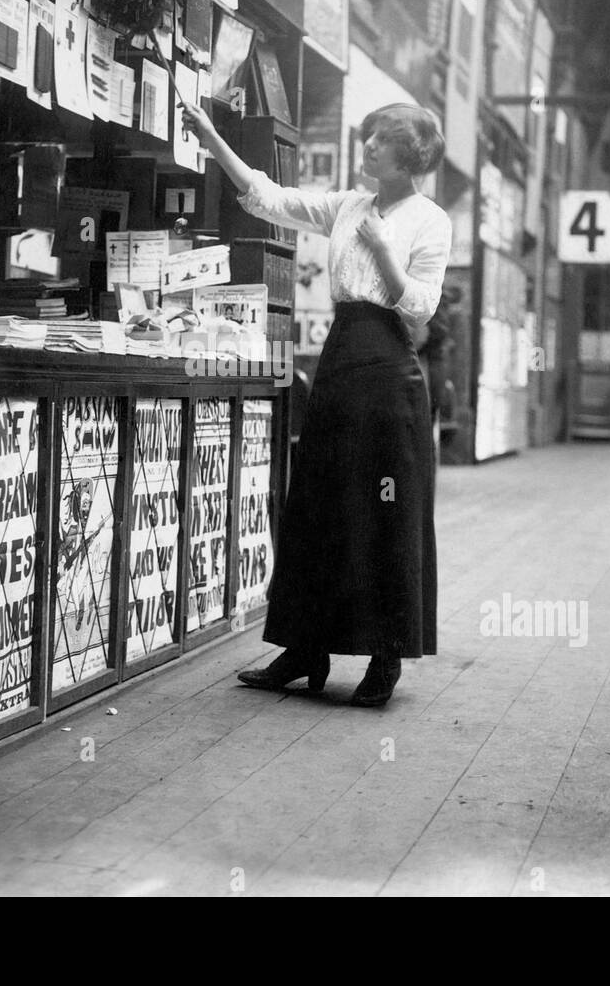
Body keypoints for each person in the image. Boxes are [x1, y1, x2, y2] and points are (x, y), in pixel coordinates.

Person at [181, 100, 452, 707]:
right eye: (369, 136)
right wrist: (211, 135)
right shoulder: (346, 205)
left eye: (381, 140)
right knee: (317, 503)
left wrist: (383, 252)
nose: (370, 146)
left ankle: (386, 658)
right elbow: (265, 196)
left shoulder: (430, 220)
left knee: (386, 509)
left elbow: (422, 309)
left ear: (408, 155)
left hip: (389, 372)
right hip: (339, 362)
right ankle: (305, 651)